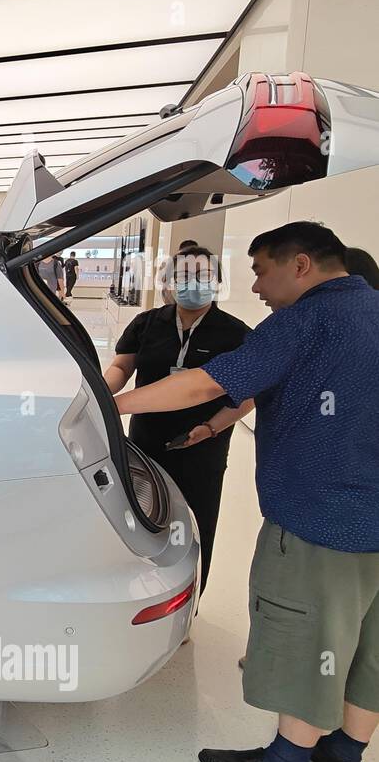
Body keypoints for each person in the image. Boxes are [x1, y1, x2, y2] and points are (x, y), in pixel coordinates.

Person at [116, 221, 379, 762]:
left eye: (262, 270)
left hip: (322, 518)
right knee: (368, 643)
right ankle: (348, 756)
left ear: (302, 264)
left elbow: (204, 386)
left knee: (309, 635)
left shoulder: (305, 320)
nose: (256, 285)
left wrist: (108, 408)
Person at [104, 246, 252, 596]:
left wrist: (211, 428)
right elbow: (122, 367)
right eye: (184, 276)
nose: (192, 283)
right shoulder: (147, 323)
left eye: (202, 276)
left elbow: (246, 397)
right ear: (169, 281)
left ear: (217, 282)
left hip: (203, 445)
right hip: (146, 440)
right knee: (143, 515)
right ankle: (144, 591)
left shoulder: (235, 333)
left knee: (198, 522)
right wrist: (103, 396)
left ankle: (191, 600)